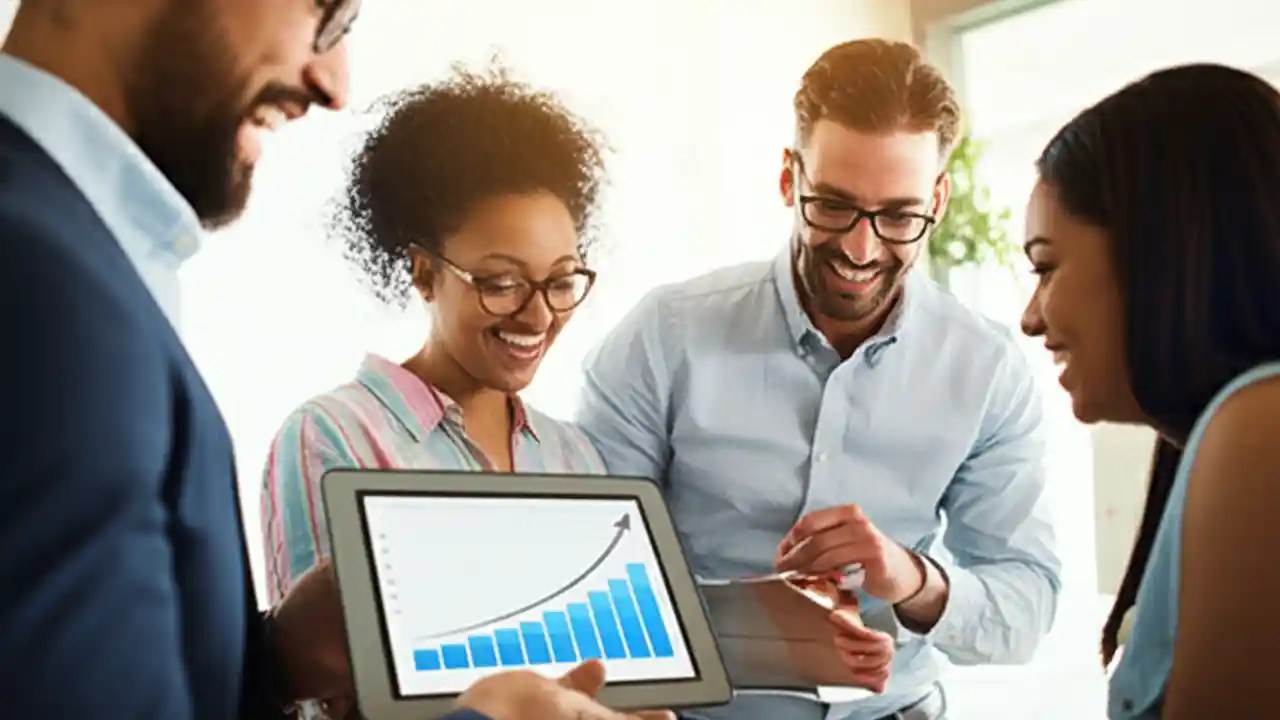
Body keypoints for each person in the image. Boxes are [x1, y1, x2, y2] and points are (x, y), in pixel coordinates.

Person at [0, 1, 666, 718]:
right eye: (321, 5)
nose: (335, 81)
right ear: (424, 271)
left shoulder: (77, 256)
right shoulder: (37, 278)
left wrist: (278, 661)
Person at [576, 38, 1062, 720]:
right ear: (789, 179)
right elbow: (589, 570)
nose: (861, 249)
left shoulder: (987, 370)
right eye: (832, 205)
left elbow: (1026, 604)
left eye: (898, 215)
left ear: (940, 199)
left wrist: (912, 579)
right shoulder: (664, 338)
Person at [260, 64, 608, 600]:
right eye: (501, 282)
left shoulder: (574, 456)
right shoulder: (335, 436)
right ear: (426, 273)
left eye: (560, 281)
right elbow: (323, 669)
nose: (538, 316)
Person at [1019, 63, 1280, 719]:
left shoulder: (1261, 425)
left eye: (1046, 266)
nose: (1030, 316)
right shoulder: (1223, 435)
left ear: (1155, 247)